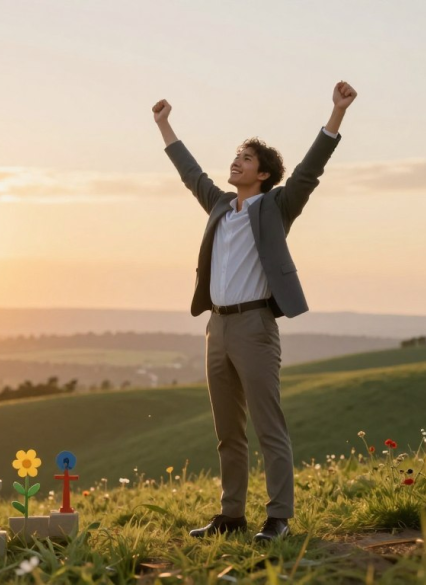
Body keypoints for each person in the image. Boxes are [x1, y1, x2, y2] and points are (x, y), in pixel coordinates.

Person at [152, 81, 357, 541]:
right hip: (217, 327)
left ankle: (279, 518)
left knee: (268, 426)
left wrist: (336, 113)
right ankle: (231, 516)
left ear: (263, 174)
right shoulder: (221, 206)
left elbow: (309, 170)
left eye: (245, 158)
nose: (235, 162)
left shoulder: (277, 207)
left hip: (255, 325)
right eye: (236, 156)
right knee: (228, 432)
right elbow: (191, 174)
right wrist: (165, 125)